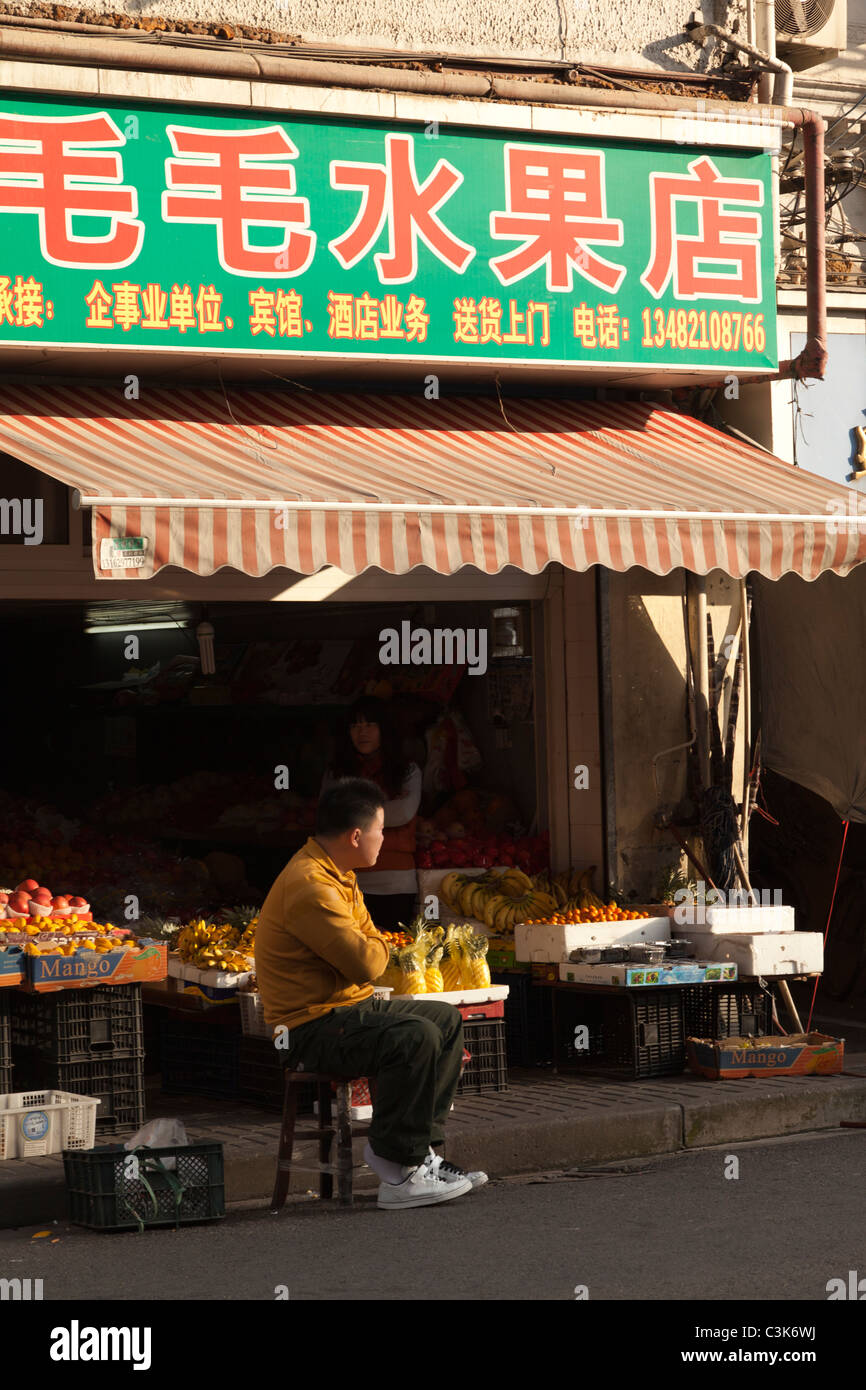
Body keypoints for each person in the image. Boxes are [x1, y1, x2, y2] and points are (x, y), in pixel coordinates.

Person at [254, 777, 487, 1210]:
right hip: (310, 1027)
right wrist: (373, 945)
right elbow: (370, 961)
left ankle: (421, 1155)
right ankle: (398, 1173)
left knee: (446, 1020)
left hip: (347, 1010)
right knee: (416, 1036)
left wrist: (372, 944)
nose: (387, 838)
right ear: (356, 836)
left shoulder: (338, 873)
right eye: (382, 830)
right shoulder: (312, 885)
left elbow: (371, 942)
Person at [322, 697, 421, 932]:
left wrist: (349, 811)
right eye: (355, 726)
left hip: (396, 883)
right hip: (347, 882)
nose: (361, 732)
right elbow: (327, 815)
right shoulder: (336, 772)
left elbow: (402, 814)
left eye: (369, 725)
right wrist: (379, 812)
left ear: (384, 729)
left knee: (393, 955)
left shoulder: (407, 770)